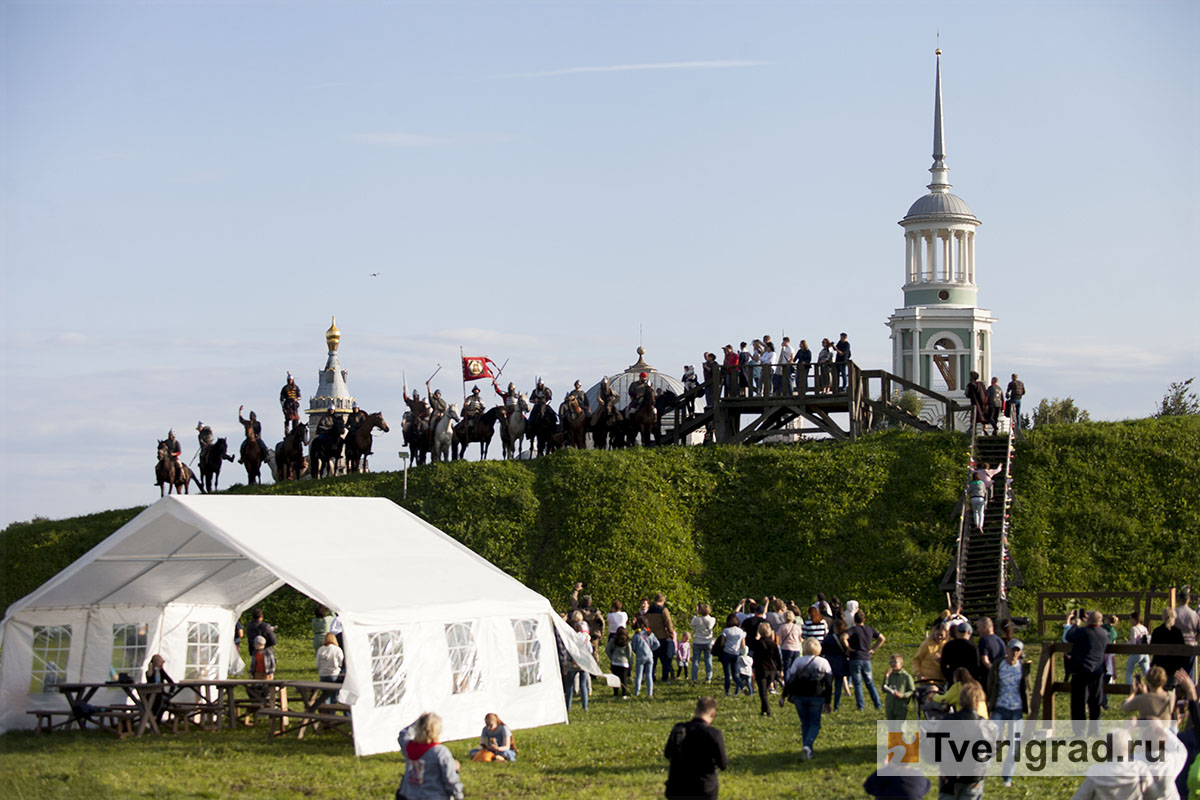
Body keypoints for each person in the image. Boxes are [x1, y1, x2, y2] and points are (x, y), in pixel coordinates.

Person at [663, 696, 727, 800]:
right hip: (704, 788)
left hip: (677, 787)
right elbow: (723, 765)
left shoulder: (679, 729)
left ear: (695, 711)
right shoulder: (714, 734)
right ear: (712, 714)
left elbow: (667, 754)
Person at [781, 637, 833, 760]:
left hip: (799, 696)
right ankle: (808, 746)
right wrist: (827, 701)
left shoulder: (798, 661)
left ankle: (807, 749)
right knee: (815, 723)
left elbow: (790, 681)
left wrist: (783, 696)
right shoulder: (823, 662)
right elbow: (829, 684)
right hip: (816, 696)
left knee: (805, 723)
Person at [987, 639, 1030, 787]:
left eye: (1017, 650)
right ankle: (981, 772)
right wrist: (990, 702)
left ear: (1021, 652)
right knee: (990, 741)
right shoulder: (998, 665)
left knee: (1014, 745)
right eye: (1012, 649)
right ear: (1007, 649)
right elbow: (990, 684)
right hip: (999, 708)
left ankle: (1007, 777)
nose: (1014, 653)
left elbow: (1027, 688)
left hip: (1016, 710)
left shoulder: (1023, 668)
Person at [396, 712, 464, 800]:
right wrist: (458, 794)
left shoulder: (409, 747)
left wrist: (420, 721)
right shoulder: (440, 752)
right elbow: (450, 779)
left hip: (409, 795)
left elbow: (403, 734)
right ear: (438, 731)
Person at [1066, 610, 1110, 735]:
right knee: (1095, 702)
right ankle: (1094, 731)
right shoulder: (1104, 633)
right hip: (1097, 671)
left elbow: (1068, 636)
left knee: (1078, 703)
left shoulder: (1082, 632)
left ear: (1088, 620)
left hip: (1081, 670)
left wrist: (1075, 624)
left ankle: (1079, 731)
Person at [847, 609, 885, 711]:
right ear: (864, 620)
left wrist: (848, 648)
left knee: (857, 684)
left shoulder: (853, 629)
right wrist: (873, 649)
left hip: (855, 658)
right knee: (870, 683)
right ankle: (878, 704)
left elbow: (843, 637)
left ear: (854, 620)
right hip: (866, 658)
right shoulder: (869, 629)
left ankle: (861, 706)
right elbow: (882, 638)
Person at [749, 621, 783, 716]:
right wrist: (780, 669)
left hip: (761, 669)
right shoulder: (773, 644)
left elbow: (752, 649)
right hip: (772, 670)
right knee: (766, 689)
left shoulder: (757, 643)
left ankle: (766, 710)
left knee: (762, 691)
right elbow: (778, 658)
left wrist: (757, 636)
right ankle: (764, 709)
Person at [1151, 607, 1188, 686]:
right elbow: (1182, 650)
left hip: (1160, 664)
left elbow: (1152, 648)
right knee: (1172, 687)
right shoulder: (1177, 632)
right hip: (1174, 666)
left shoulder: (1157, 631)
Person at [646, 594, 676, 683]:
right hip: (661, 637)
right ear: (662, 601)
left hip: (651, 637)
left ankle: (652, 677)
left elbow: (646, 624)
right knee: (665, 659)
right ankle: (665, 678)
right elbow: (668, 622)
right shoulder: (663, 610)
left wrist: (649, 632)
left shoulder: (649, 610)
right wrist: (671, 634)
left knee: (652, 659)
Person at [823, 617, 851, 710]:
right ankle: (836, 706)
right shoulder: (845, 638)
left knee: (828, 685)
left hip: (829, 662)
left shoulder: (829, 638)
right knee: (838, 686)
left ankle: (827, 703)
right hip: (841, 662)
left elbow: (823, 650)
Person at [563, 619, 591, 710]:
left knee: (569, 685)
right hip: (583, 664)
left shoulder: (572, 637)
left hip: (572, 663)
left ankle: (568, 706)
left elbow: (568, 649)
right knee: (583, 685)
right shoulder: (586, 638)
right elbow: (590, 650)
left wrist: (567, 660)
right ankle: (585, 706)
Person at [717, 613, 746, 696]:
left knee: (727, 674)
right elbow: (743, 645)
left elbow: (722, 642)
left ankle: (727, 691)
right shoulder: (741, 632)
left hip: (727, 652)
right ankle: (742, 687)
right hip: (736, 653)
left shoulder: (726, 630)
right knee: (735, 674)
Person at [632, 615, 659, 698]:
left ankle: (637, 692)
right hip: (649, 656)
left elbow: (633, 646)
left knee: (639, 675)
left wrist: (637, 651)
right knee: (649, 675)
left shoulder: (636, 635)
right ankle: (650, 693)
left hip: (640, 657)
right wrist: (650, 649)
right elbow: (657, 644)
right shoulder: (650, 633)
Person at [883, 654, 915, 721]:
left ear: (901, 663)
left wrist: (903, 695)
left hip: (900, 704)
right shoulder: (890, 675)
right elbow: (884, 688)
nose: (892, 664)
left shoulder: (906, 676)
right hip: (890, 704)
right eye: (891, 662)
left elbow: (912, 691)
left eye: (895, 662)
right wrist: (886, 677)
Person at [690, 603, 716, 683]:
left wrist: (696, 613)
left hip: (697, 641)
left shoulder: (697, 619)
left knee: (695, 660)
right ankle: (708, 678)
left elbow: (691, 624)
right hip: (708, 641)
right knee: (708, 660)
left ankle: (694, 678)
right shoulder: (712, 619)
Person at [1177, 586, 1199, 680]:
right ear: (1188, 600)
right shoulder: (1194, 614)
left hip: (1176, 645)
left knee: (1177, 672)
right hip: (1190, 645)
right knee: (1189, 673)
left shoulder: (1175, 613)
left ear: (1179, 599)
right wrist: (1195, 639)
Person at [145, 654, 175, 723]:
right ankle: (154, 719)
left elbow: (170, 682)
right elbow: (151, 681)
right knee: (159, 701)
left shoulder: (161, 671)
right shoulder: (150, 672)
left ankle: (155, 719)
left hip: (158, 694)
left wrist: (170, 692)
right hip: (152, 694)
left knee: (164, 702)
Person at [316, 632, 344, 705]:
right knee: (334, 695)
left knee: (325, 695)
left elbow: (317, 664)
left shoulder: (320, 649)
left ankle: (326, 709)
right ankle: (332, 709)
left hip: (323, 674)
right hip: (334, 674)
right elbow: (341, 662)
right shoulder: (337, 649)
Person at [1126, 610, 1152, 685]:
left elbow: (1133, 643)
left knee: (1128, 673)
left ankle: (1130, 688)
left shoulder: (1134, 629)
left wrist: (1127, 643)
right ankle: (1152, 686)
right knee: (1147, 673)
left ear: (1134, 619)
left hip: (1137, 652)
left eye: (1131, 619)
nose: (1130, 621)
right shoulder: (1144, 628)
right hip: (1145, 652)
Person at [777, 610, 806, 675]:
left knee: (786, 668)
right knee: (795, 668)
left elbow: (779, 639)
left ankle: (787, 680)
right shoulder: (797, 627)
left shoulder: (782, 627)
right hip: (796, 648)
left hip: (786, 648)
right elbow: (801, 639)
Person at [606, 627, 633, 698]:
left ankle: (615, 694)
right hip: (624, 663)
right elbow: (629, 654)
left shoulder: (613, 641)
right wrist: (630, 664)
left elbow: (607, 650)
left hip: (615, 662)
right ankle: (624, 694)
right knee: (623, 680)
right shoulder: (627, 642)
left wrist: (611, 657)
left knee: (615, 680)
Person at [964, 371, 988, 436]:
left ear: (972, 377)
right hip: (983, 405)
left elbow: (967, 394)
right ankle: (985, 429)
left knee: (974, 419)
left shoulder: (970, 385)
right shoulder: (982, 384)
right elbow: (985, 393)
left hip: (975, 404)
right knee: (984, 418)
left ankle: (974, 432)